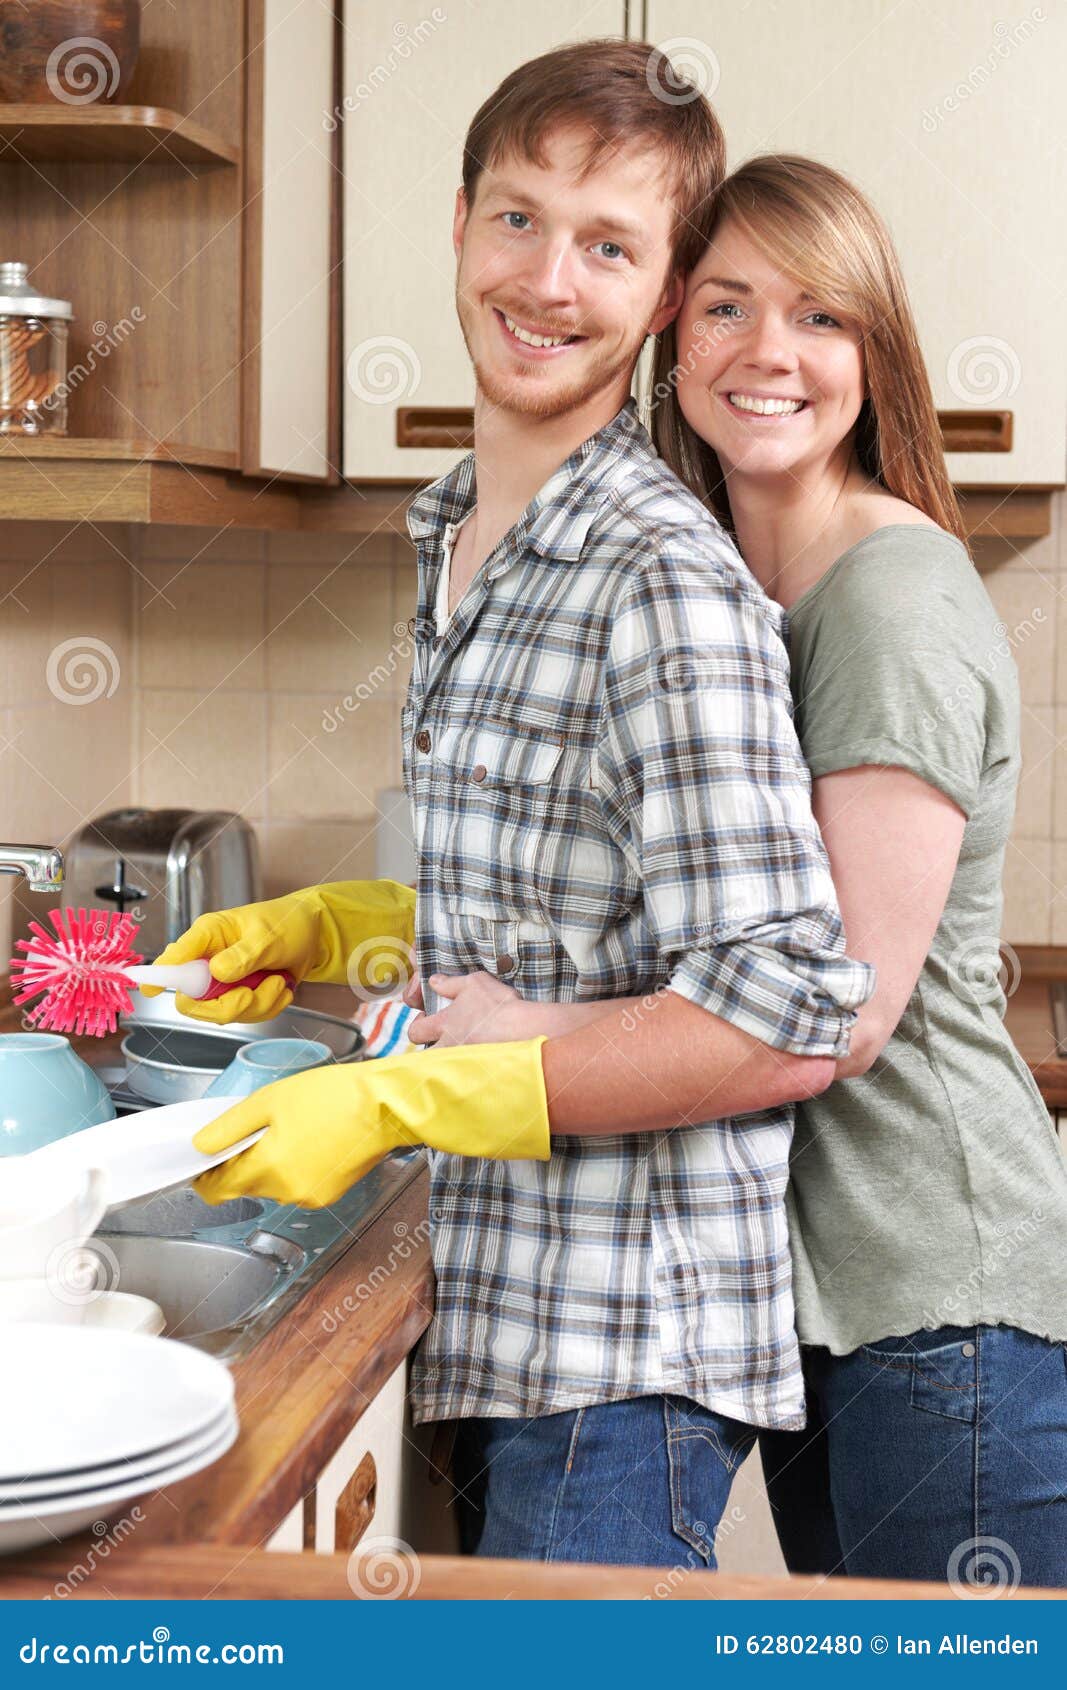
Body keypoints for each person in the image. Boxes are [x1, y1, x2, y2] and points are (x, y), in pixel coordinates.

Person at [148, 45, 873, 1568]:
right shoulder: (464, 531)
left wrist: (395, 1096)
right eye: (519, 221)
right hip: (508, 1306)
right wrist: (336, 928)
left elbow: (782, 1015)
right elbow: (566, 908)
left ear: (666, 294)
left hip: (618, 1353)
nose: (548, 280)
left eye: (609, 246)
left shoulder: (658, 579)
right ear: (460, 222)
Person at [411, 153, 1067, 1588]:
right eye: (727, 307)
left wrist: (527, 1038)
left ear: (875, 357)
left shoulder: (887, 598)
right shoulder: (730, 581)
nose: (771, 353)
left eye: (823, 317)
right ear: (669, 333)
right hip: (827, 1294)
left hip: (936, 1288)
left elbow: (843, 1010)